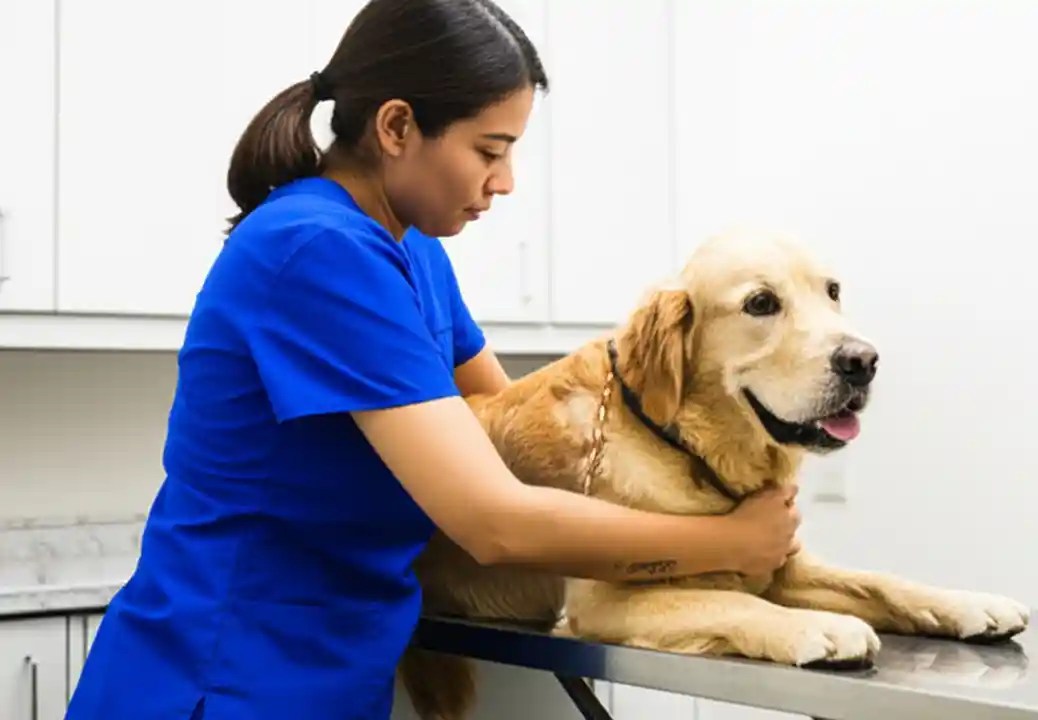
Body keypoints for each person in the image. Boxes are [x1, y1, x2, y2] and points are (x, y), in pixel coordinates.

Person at [64, 1, 800, 718]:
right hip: (221, 677)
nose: (504, 181)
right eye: (490, 150)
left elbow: (517, 438)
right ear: (396, 126)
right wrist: (726, 540)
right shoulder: (319, 250)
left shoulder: (411, 250)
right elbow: (494, 520)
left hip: (328, 673)